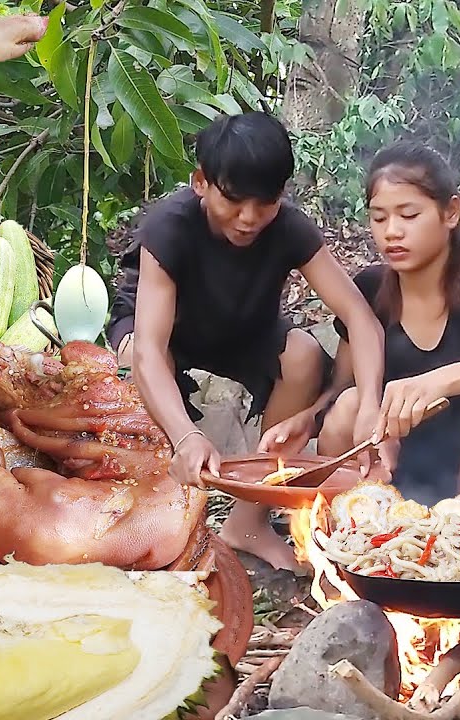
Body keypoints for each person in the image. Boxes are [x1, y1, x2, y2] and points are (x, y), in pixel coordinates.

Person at [112, 112, 385, 570]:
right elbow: (149, 351)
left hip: (242, 330)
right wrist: (186, 436)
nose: (249, 218)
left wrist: (371, 407)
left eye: (266, 202)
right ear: (201, 183)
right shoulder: (169, 228)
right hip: (164, 334)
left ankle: (248, 521)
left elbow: (361, 319)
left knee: (303, 356)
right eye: (234, 200)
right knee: (132, 363)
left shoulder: (289, 228)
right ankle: (154, 518)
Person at [276, 140, 460, 504]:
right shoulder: (369, 290)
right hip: (388, 464)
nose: (392, 232)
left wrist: (436, 382)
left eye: (409, 215)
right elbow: (340, 386)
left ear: (451, 213)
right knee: (350, 405)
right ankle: (358, 529)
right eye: (379, 217)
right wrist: (309, 418)